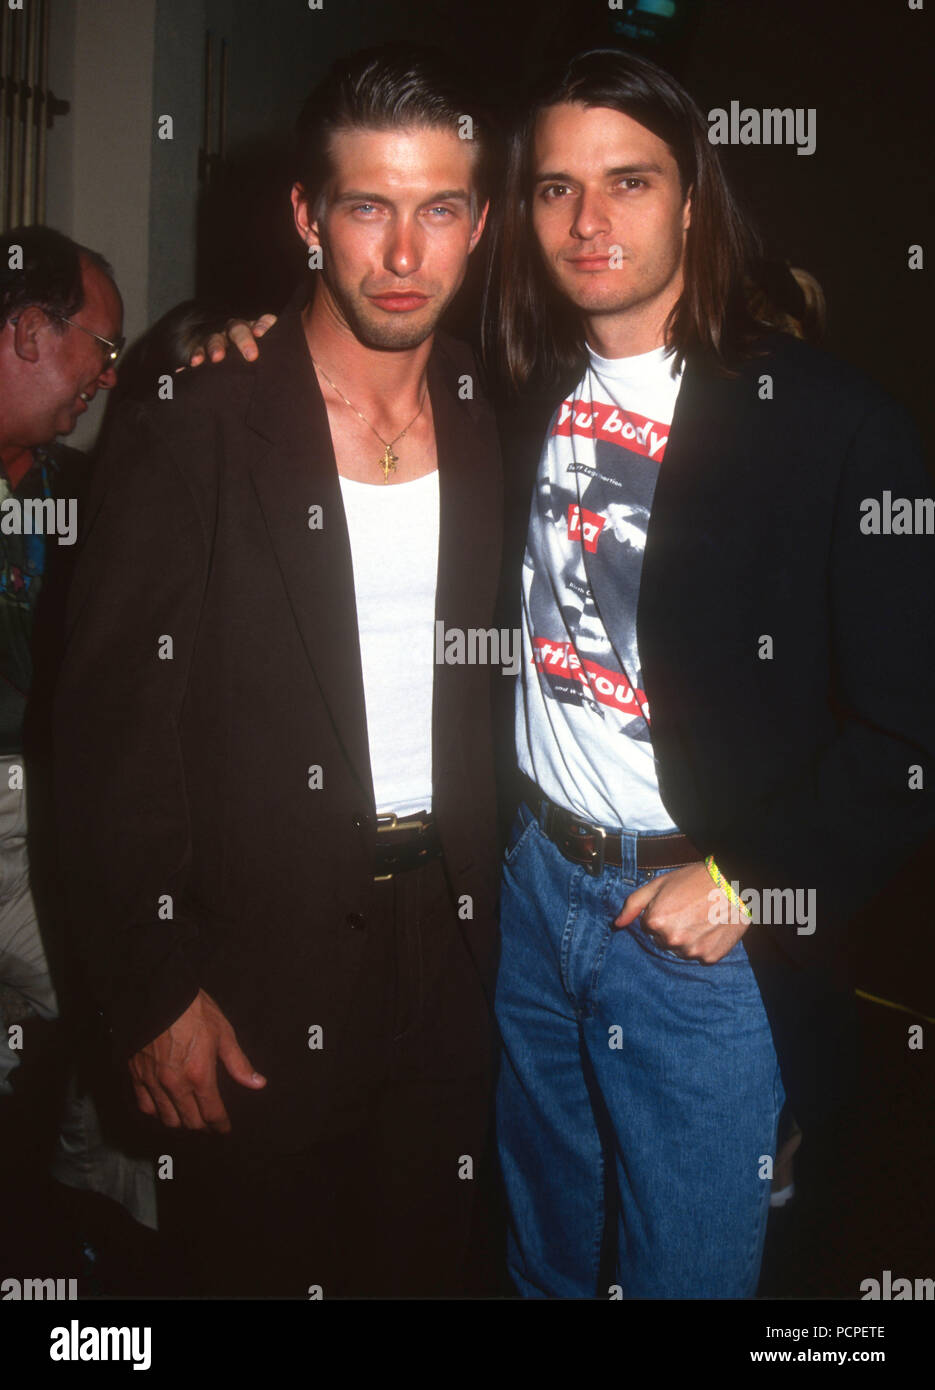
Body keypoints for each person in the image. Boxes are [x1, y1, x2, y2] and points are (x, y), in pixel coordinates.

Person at [53, 45, 503, 1298]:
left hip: (459, 960)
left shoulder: (492, 417)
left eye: (439, 210)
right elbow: (105, 736)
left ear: (480, 223)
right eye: (367, 207)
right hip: (250, 976)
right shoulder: (193, 423)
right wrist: (147, 992)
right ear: (307, 217)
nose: (403, 256)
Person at [485, 48, 935, 1299]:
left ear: (692, 199)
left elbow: (912, 728)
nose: (587, 222)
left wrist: (750, 878)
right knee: (545, 1264)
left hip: (697, 937)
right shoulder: (517, 385)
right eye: (554, 188)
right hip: (532, 895)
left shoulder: (831, 423)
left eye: (626, 182)